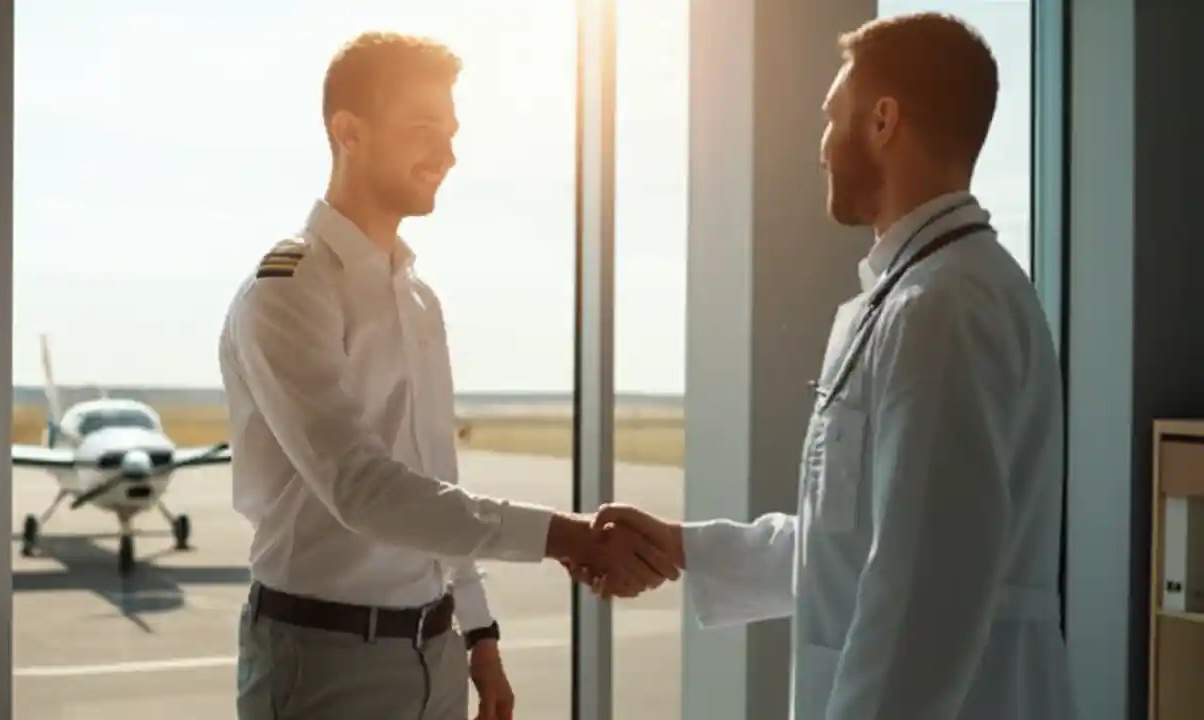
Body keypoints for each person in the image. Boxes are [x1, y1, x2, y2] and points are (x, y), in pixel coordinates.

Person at [580, 12, 1076, 719]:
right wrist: (687, 547)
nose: (820, 147)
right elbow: (850, 544)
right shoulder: (915, 294)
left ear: (882, 121)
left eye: (830, 117)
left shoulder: (942, 306)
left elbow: (924, 588)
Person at [218, 32, 679, 720]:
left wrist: (479, 633)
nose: (448, 153)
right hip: (323, 661)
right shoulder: (289, 289)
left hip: (434, 653)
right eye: (423, 127)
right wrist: (563, 535)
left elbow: (436, 481)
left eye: (452, 131)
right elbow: (361, 488)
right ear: (348, 132)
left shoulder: (417, 298)